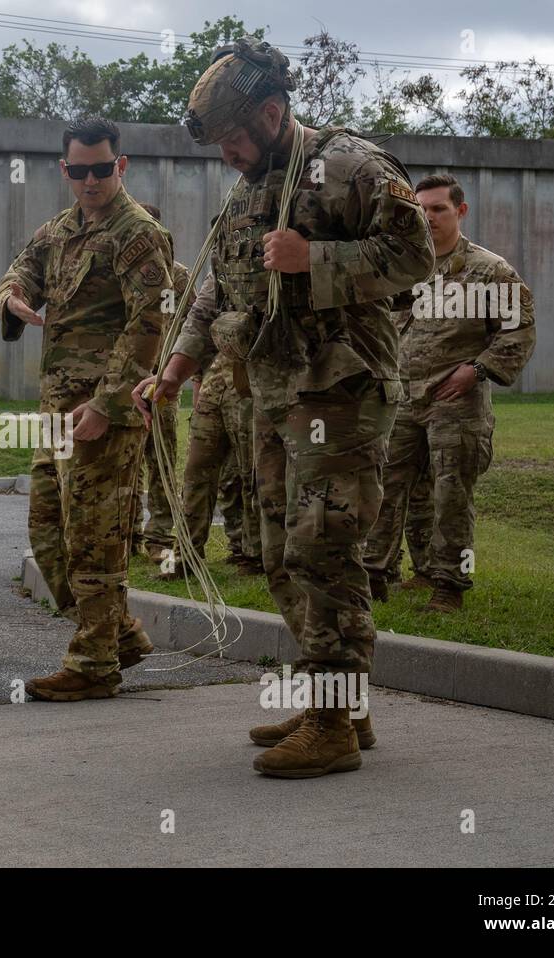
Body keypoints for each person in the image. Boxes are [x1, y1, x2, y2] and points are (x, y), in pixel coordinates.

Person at [135, 39, 435, 777]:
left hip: (341, 392)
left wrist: (318, 259)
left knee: (323, 551)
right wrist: (175, 369)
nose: (229, 154)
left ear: (273, 112)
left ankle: (332, 725)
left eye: (236, 137)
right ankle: (338, 702)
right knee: (278, 556)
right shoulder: (248, 185)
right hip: (267, 396)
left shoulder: (351, 166)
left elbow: (418, 257)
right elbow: (219, 289)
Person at [0, 116, 175, 701]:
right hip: (58, 412)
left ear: (120, 166)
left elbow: (151, 323)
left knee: (95, 535)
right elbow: (24, 268)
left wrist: (106, 403)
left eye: (102, 169)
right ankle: (117, 632)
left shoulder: (138, 233)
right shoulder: (60, 229)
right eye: (80, 170)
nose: (91, 180)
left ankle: (94, 664)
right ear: (64, 169)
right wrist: (13, 297)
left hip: (105, 414)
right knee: (48, 531)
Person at [362, 173, 536, 612]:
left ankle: (448, 585)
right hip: (402, 398)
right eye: (419, 210)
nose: (427, 218)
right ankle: (376, 574)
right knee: (385, 488)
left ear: (460, 211)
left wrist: (476, 370)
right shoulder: (405, 270)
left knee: (451, 495)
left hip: (456, 401)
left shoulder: (489, 270)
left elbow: (518, 333)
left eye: (437, 209)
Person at [175, 275, 263, 574]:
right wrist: (186, 377)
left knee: (253, 474)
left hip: (255, 379)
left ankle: (253, 556)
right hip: (217, 379)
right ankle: (185, 555)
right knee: (196, 470)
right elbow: (198, 319)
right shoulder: (221, 266)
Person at [130, 202, 194, 564]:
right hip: (124, 382)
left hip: (161, 383)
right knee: (126, 459)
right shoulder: (119, 274)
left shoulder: (178, 276)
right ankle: (127, 533)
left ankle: (159, 536)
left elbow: (195, 326)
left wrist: (181, 371)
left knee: (162, 458)